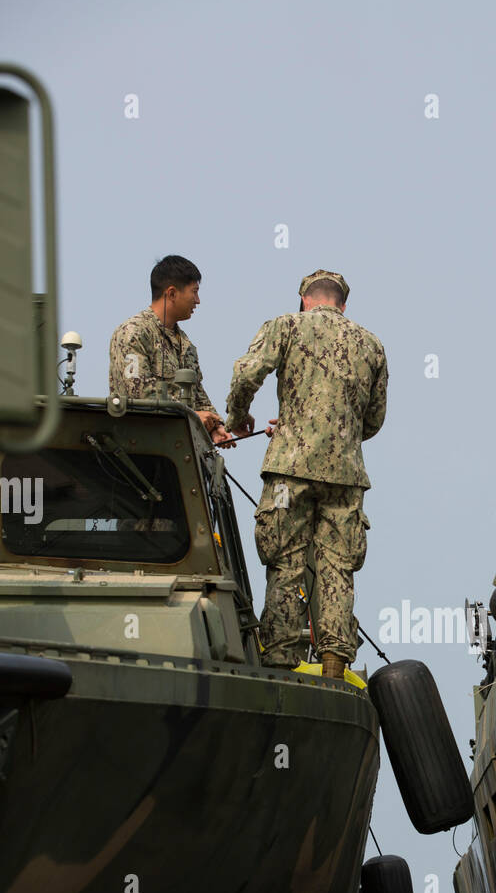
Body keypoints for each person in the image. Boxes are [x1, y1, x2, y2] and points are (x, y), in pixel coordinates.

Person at [224, 270, 388, 680]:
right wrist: (339, 434)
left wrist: (239, 416)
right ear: (343, 305)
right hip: (345, 475)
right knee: (337, 568)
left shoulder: (286, 326)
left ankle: (279, 663)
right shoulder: (371, 344)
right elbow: (375, 418)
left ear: (305, 300)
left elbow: (246, 374)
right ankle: (333, 665)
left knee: (286, 560)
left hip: (288, 472)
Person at [109, 256, 231, 443]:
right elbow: (137, 392)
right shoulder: (134, 332)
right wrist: (192, 415)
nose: (197, 301)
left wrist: (216, 426)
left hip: (176, 448)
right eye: (194, 292)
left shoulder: (185, 344)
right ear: (172, 293)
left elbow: (197, 394)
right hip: (138, 446)